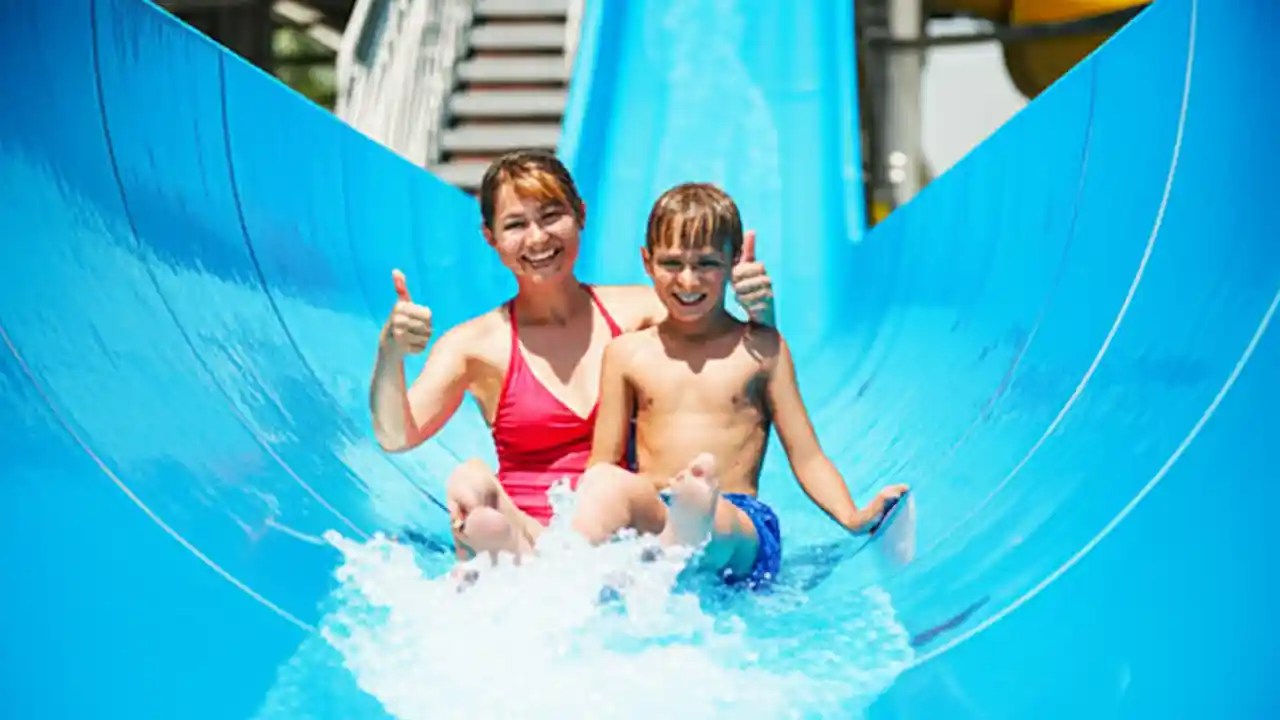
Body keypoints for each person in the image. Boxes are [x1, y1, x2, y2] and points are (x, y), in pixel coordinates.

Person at [368, 150, 777, 566]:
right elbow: (396, 435)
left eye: (551, 216)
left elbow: (739, 360)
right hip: (530, 532)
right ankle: (503, 548)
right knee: (469, 479)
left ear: (580, 214)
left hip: (625, 533)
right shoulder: (474, 346)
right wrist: (390, 352)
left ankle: (515, 565)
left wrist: (758, 311)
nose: (538, 238)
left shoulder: (644, 314)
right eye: (515, 225)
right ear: (490, 237)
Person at [568, 182, 909, 589]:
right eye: (672, 264)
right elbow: (602, 463)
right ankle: (573, 582)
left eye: (707, 263)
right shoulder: (626, 354)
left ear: (733, 264)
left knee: (704, 501)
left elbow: (808, 457)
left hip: (738, 520)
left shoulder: (761, 348)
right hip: (663, 509)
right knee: (606, 484)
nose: (688, 281)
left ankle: (672, 549)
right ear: (647, 262)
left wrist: (853, 516)